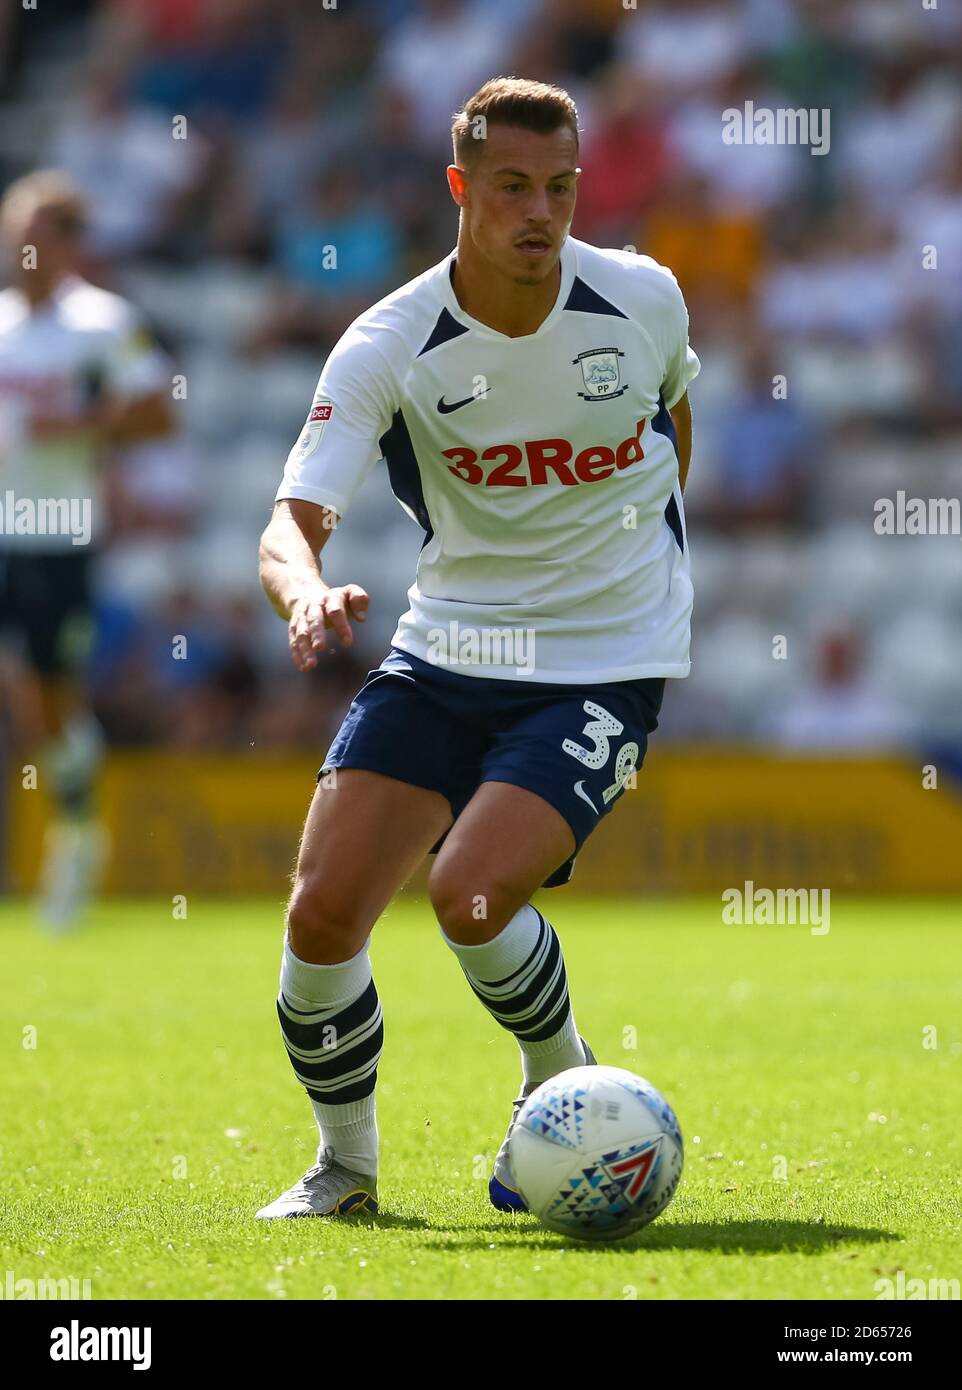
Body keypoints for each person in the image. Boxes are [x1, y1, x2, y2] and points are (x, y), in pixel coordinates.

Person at [256, 77, 699, 1219]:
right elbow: (290, 524)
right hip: (447, 646)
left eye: (558, 187)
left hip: (604, 655)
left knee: (468, 893)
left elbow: (670, 422)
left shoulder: (641, 298)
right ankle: (344, 1167)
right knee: (319, 918)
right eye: (510, 187)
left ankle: (555, 1071)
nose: (538, 212)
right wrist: (304, 596)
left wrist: (629, 572)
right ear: (460, 188)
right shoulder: (392, 341)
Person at [0, 171, 173, 926]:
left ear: (69, 243)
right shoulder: (1, 322)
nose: (24, 243)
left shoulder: (102, 324)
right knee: (24, 692)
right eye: (18, 228)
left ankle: (77, 830)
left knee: (47, 701)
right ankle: (71, 829)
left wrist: (73, 426)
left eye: (40, 230)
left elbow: (158, 415)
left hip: (58, 531)